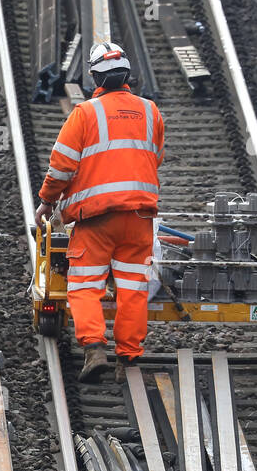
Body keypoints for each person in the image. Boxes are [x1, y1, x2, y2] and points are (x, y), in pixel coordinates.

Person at [34, 42, 164, 384]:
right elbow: (154, 157)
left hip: (96, 220)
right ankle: (128, 359)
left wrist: (48, 202)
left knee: (85, 284)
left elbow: (61, 166)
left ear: (95, 78)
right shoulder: (151, 112)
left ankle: (94, 349)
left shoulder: (85, 114)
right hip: (139, 218)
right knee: (133, 287)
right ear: (127, 76)